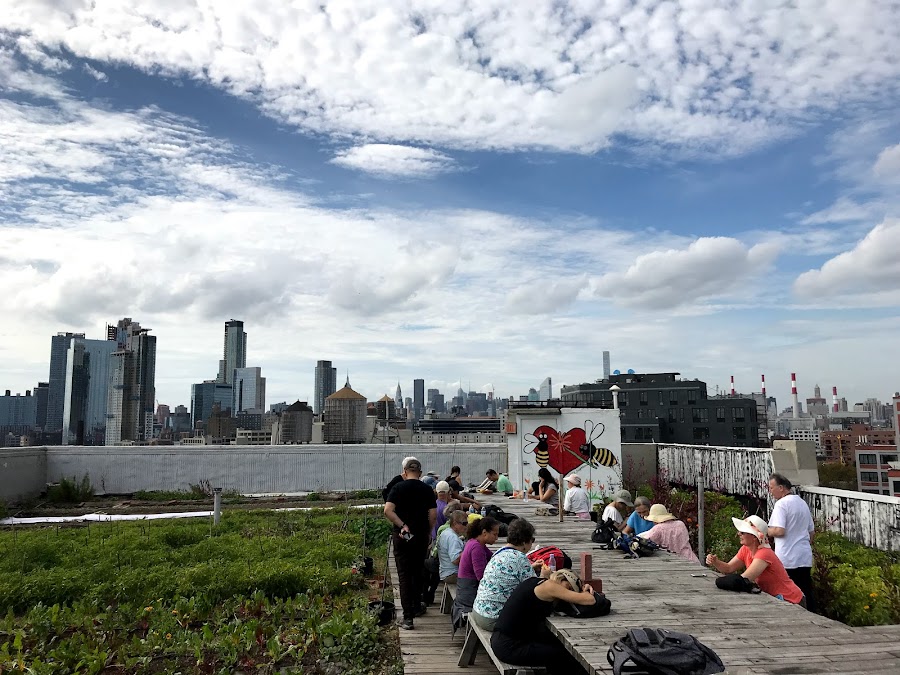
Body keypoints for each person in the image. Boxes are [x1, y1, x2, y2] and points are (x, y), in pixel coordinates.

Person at [490, 569, 594, 675]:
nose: (568, 592)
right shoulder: (550, 587)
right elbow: (590, 600)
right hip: (509, 646)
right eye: (569, 587)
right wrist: (585, 591)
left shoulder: (537, 582)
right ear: (561, 578)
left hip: (503, 639)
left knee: (558, 647)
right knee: (563, 655)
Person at [384, 457, 438, 630]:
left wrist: (402, 525)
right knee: (417, 570)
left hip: (403, 536)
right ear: (420, 473)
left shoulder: (398, 487)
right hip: (421, 535)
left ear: (405, 472)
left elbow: (388, 511)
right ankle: (416, 606)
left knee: (404, 574)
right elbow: (433, 516)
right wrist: (428, 532)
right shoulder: (427, 489)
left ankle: (408, 618)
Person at [706, 516, 805, 606]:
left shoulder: (764, 553)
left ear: (754, 537)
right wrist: (716, 562)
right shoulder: (746, 549)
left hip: (791, 601)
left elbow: (743, 580)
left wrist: (719, 581)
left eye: (743, 532)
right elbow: (729, 568)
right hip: (777, 600)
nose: (738, 534)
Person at [470, 518, 545, 631]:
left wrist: (531, 567)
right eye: (532, 540)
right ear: (524, 542)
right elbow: (536, 592)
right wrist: (544, 576)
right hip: (493, 619)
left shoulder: (500, 552)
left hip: (479, 611)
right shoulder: (520, 559)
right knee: (537, 618)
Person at [767, 473, 816, 611]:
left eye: (771, 488)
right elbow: (811, 533)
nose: (770, 491)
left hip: (787, 557)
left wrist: (766, 530)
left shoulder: (781, 504)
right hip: (804, 556)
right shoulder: (802, 503)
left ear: (781, 488)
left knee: (790, 593)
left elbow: (779, 530)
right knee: (806, 590)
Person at [451, 516, 500, 630]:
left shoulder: (475, 542)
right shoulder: (476, 547)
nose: (496, 538)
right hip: (468, 594)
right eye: (495, 534)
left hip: (465, 590)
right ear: (484, 533)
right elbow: (481, 577)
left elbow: (494, 557)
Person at [437, 510, 469, 583]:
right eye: (464, 523)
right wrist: (468, 548)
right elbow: (455, 560)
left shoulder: (446, 532)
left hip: (445, 572)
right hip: (452, 574)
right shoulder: (453, 538)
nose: (466, 526)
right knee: (476, 579)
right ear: (455, 523)